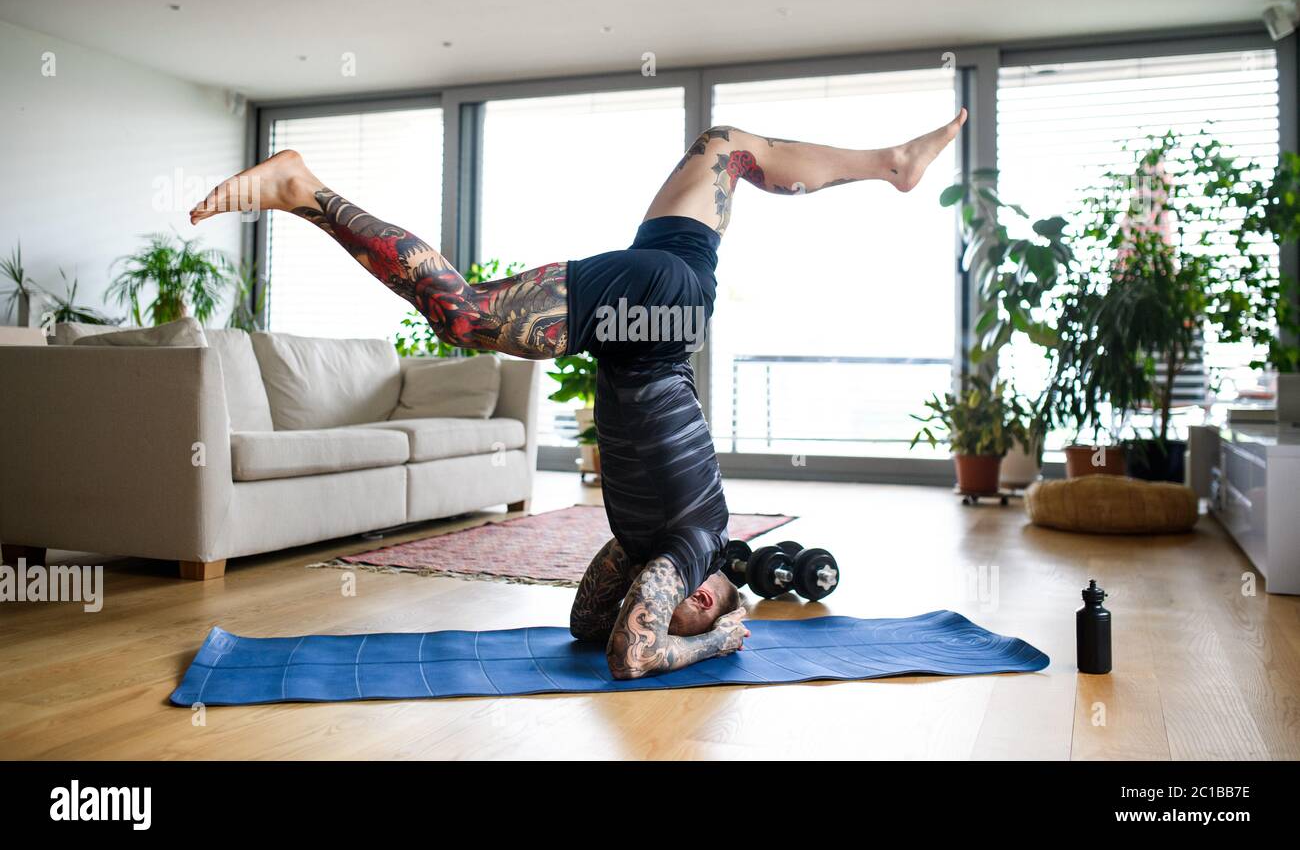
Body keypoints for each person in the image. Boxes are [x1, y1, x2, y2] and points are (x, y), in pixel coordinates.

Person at [191, 107, 967, 679]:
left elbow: (591, 627)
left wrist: (669, 614)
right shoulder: (695, 547)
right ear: (724, 585)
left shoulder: (641, 554)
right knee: (465, 314)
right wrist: (715, 642)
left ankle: (891, 163)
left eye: (690, 612)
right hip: (656, 320)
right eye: (714, 604)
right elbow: (636, 658)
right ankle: (302, 187)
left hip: (669, 285)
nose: (691, 607)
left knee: (730, 148)